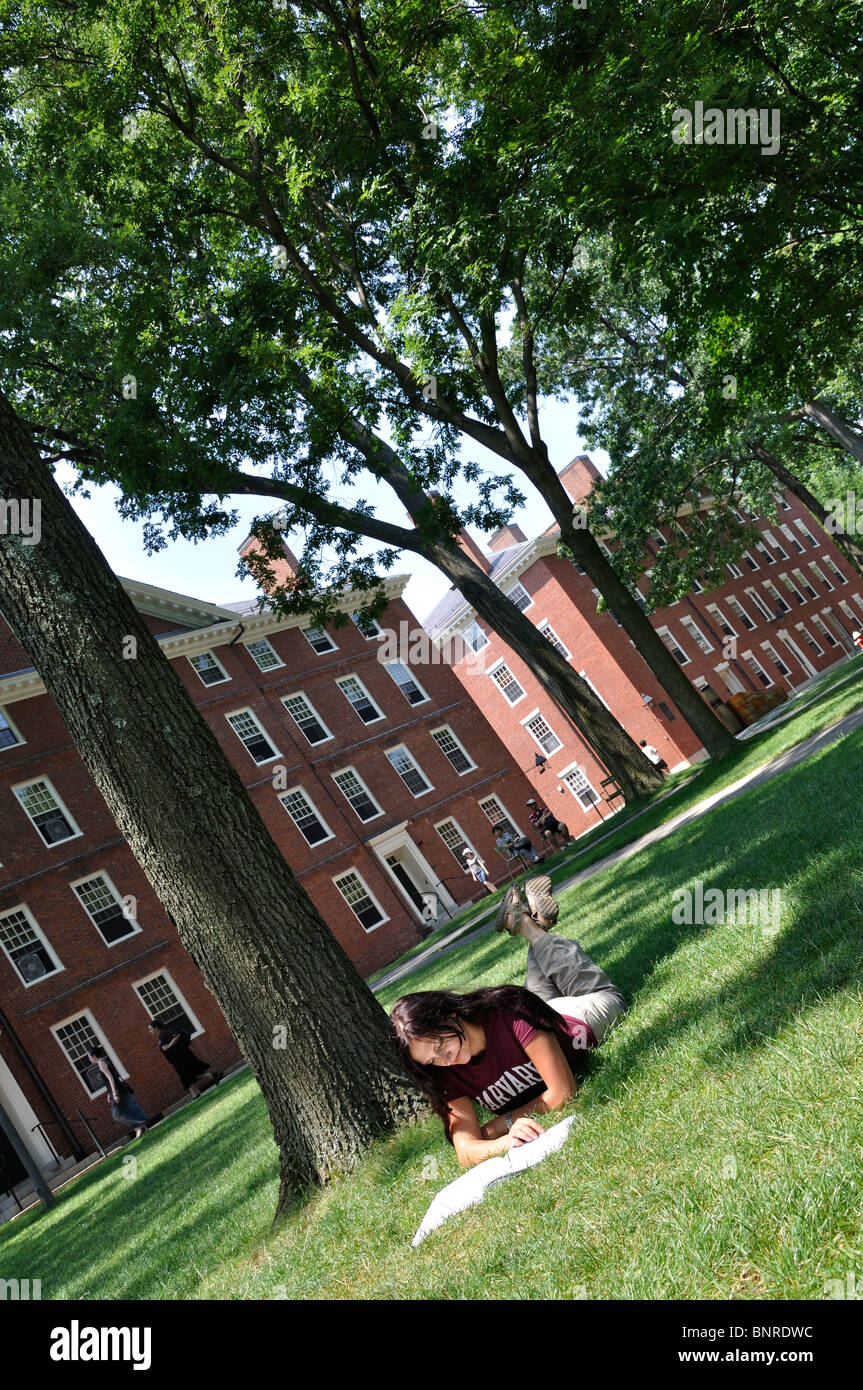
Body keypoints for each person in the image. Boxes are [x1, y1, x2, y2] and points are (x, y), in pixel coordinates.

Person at [390, 877, 626, 1169]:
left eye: (440, 1044)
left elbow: (563, 1092)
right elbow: (466, 1153)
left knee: (594, 988)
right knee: (534, 998)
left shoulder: (509, 1013)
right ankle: (525, 921)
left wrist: (501, 1124)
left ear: (450, 1014)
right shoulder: (445, 1072)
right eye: (431, 1060)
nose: (445, 1059)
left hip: (581, 1018)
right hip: (539, 1017)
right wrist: (506, 1140)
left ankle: (530, 928)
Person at [86, 1045, 149, 1140]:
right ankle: (142, 1127)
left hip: (117, 1091)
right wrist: (109, 1092)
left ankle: (138, 1126)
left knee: (116, 1114)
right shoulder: (105, 1061)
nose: (89, 1060)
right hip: (119, 1089)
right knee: (128, 1109)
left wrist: (114, 1093)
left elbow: (111, 1078)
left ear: (94, 1056)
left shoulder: (101, 1064)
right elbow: (112, 1078)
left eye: (89, 1057)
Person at [148, 1019, 220, 1099]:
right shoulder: (161, 1036)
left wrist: (169, 1046)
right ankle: (207, 1080)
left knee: (185, 1076)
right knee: (189, 1074)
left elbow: (176, 1036)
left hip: (180, 1057)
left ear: (156, 1028)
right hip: (178, 1058)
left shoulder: (164, 1033)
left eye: (150, 1029)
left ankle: (196, 1092)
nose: (149, 1031)